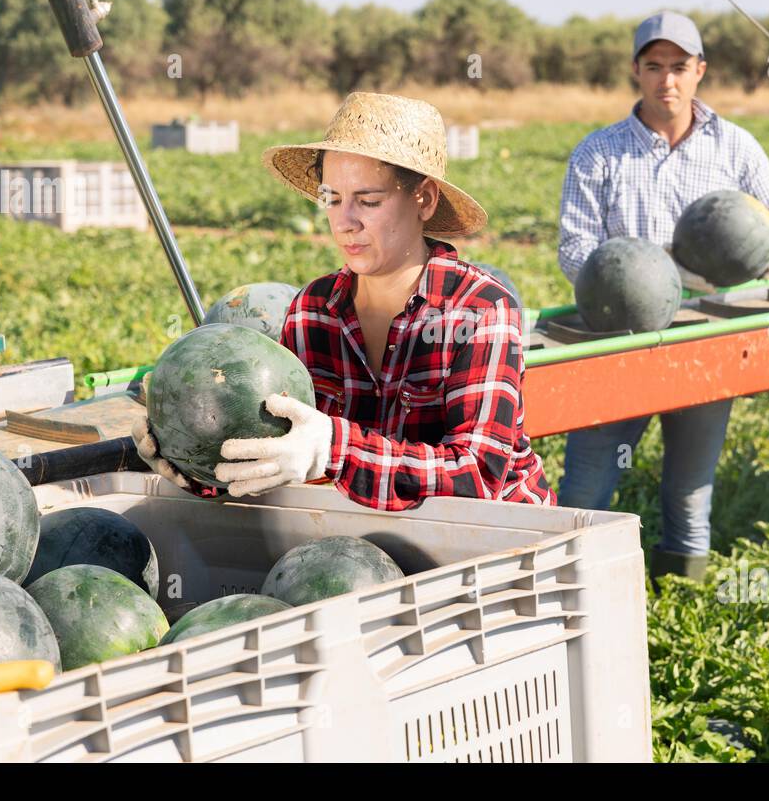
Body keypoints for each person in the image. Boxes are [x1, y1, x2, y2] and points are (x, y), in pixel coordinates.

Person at [134, 92, 554, 511]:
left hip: (504, 536)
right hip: (369, 532)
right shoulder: (313, 310)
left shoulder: (479, 310)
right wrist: (199, 471)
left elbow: (476, 476)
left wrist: (336, 448)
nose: (344, 222)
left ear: (423, 199)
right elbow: (284, 451)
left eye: (368, 201)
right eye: (332, 199)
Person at [556, 11, 769, 583]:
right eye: (653, 66)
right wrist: (637, 274)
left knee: (691, 489)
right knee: (587, 488)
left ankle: (682, 595)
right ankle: (572, 592)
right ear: (636, 72)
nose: (666, 80)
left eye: (678, 67)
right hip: (616, 337)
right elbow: (574, 247)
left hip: (704, 337)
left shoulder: (736, 147)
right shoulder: (597, 153)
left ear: (700, 71)